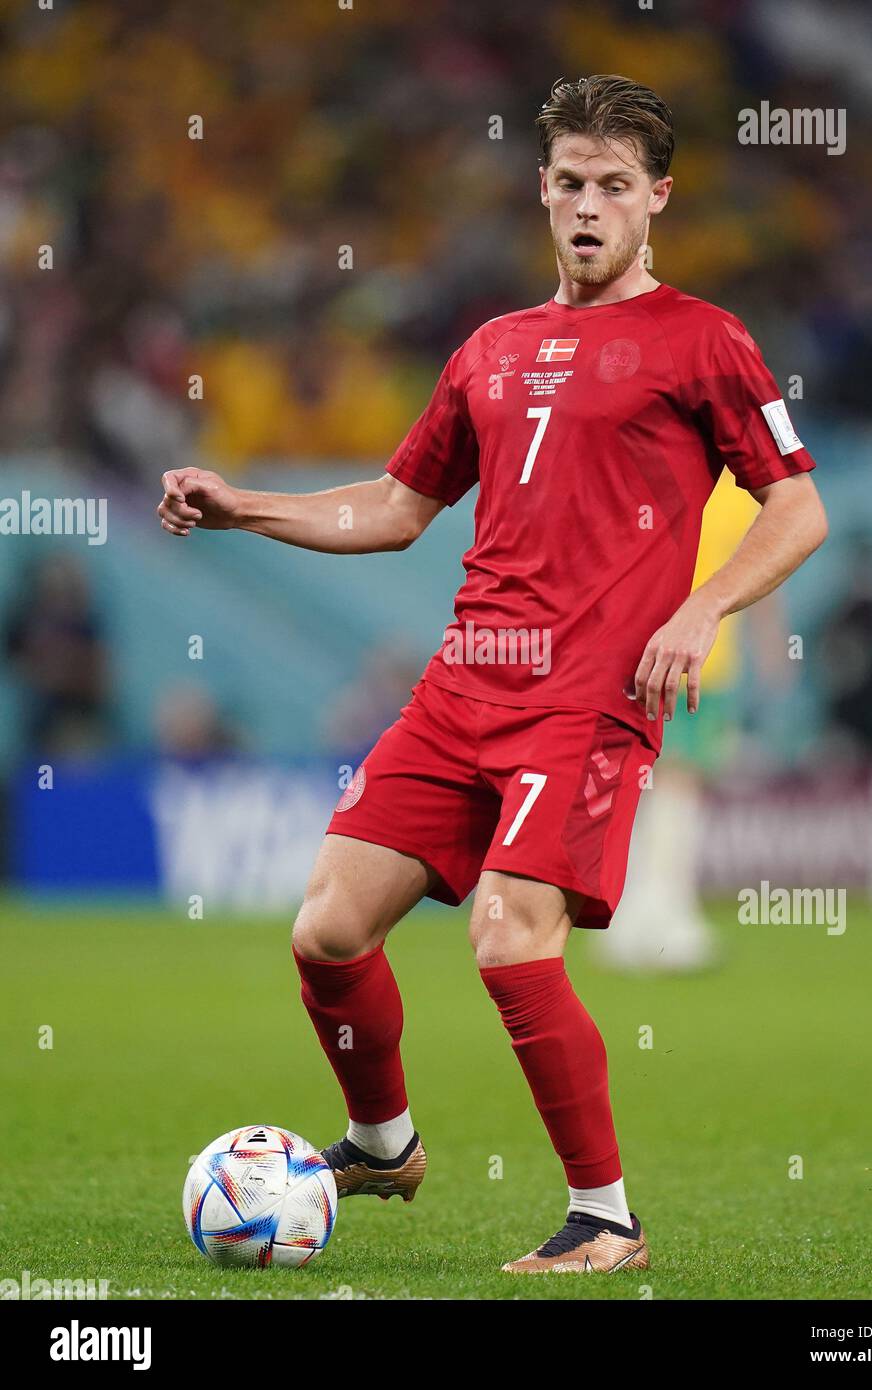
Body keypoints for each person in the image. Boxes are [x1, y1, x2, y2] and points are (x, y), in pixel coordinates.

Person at [157, 75, 827, 1275]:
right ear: (541, 189)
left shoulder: (702, 339)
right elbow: (398, 505)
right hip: (463, 686)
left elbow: (797, 506)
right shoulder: (491, 349)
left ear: (654, 200)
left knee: (511, 938)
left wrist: (702, 605)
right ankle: (379, 1143)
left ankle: (603, 1216)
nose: (586, 204)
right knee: (325, 928)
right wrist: (240, 502)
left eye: (612, 186)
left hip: (586, 702)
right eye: (568, 180)